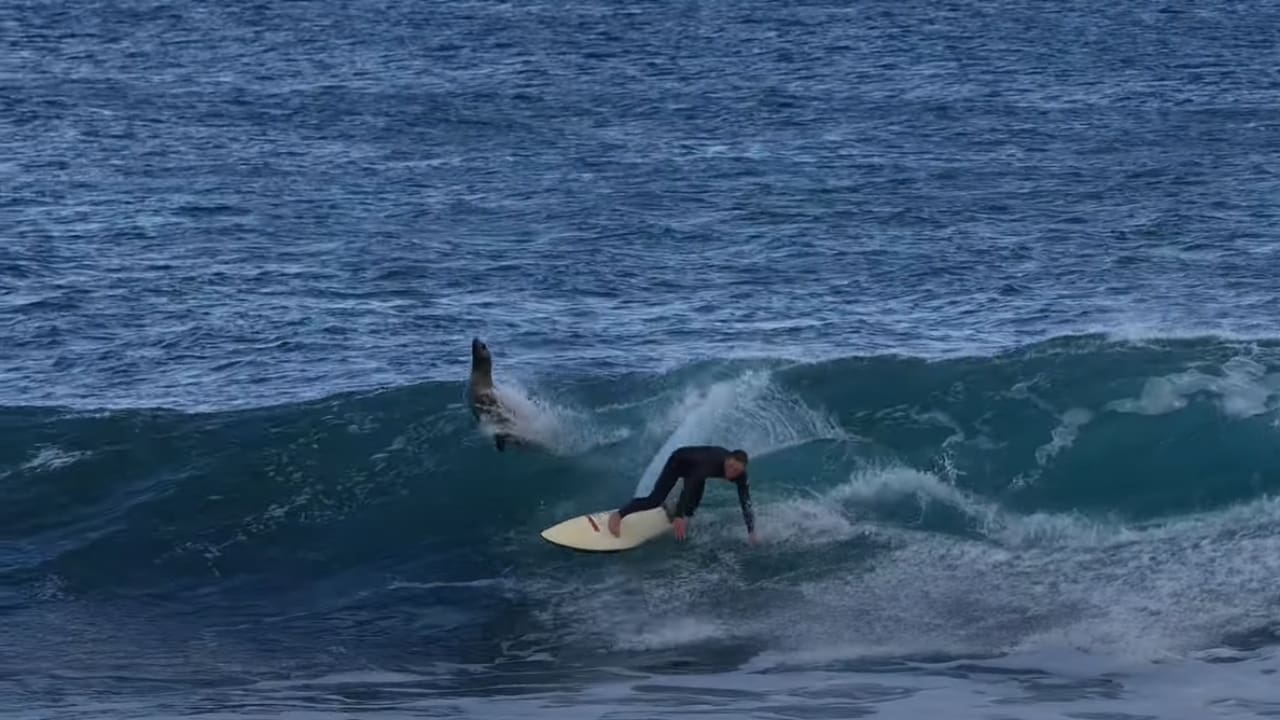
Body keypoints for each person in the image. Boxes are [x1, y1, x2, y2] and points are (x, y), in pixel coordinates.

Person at [608, 445, 757, 544]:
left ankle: (675, 511)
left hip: (697, 471)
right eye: (730, 467)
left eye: (736, 471)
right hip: (678, 462)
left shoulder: (740, 475)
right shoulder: (710, 463)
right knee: (654, 500)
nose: (731, 473)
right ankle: (619, 515)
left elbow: (745, 501)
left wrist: (751, 531)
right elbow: (689, 486)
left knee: (694, 503)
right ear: (727, 460)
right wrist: (679, 516)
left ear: (743, 470)